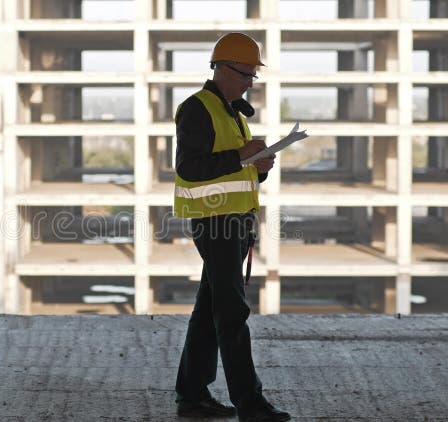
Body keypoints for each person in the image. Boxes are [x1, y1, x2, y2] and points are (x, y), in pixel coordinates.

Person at [173, 32, 292, 421]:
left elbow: (234, 172)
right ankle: (250, 402)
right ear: (222, 69)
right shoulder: (197, 109)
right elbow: (190, 168)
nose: (250, 83)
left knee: (210, 310)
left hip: (235, 221)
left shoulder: (234, 113)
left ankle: (192, 394)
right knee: (232, 314)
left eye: (252, 76)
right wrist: (242, 155)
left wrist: (257, 168)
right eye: (245, 74)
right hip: (215, 223)